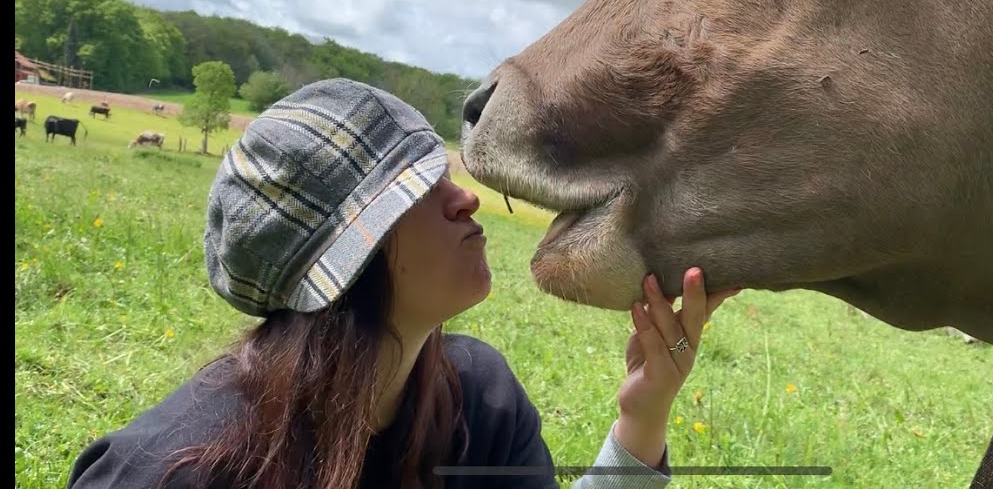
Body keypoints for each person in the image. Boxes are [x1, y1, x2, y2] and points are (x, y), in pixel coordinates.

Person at [66, 78, 739, 489]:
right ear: (343, 257)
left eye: (444, 175)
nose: (465, 200)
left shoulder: (480, 402)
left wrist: (642, 416)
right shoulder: (167, 471)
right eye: (417, 188)